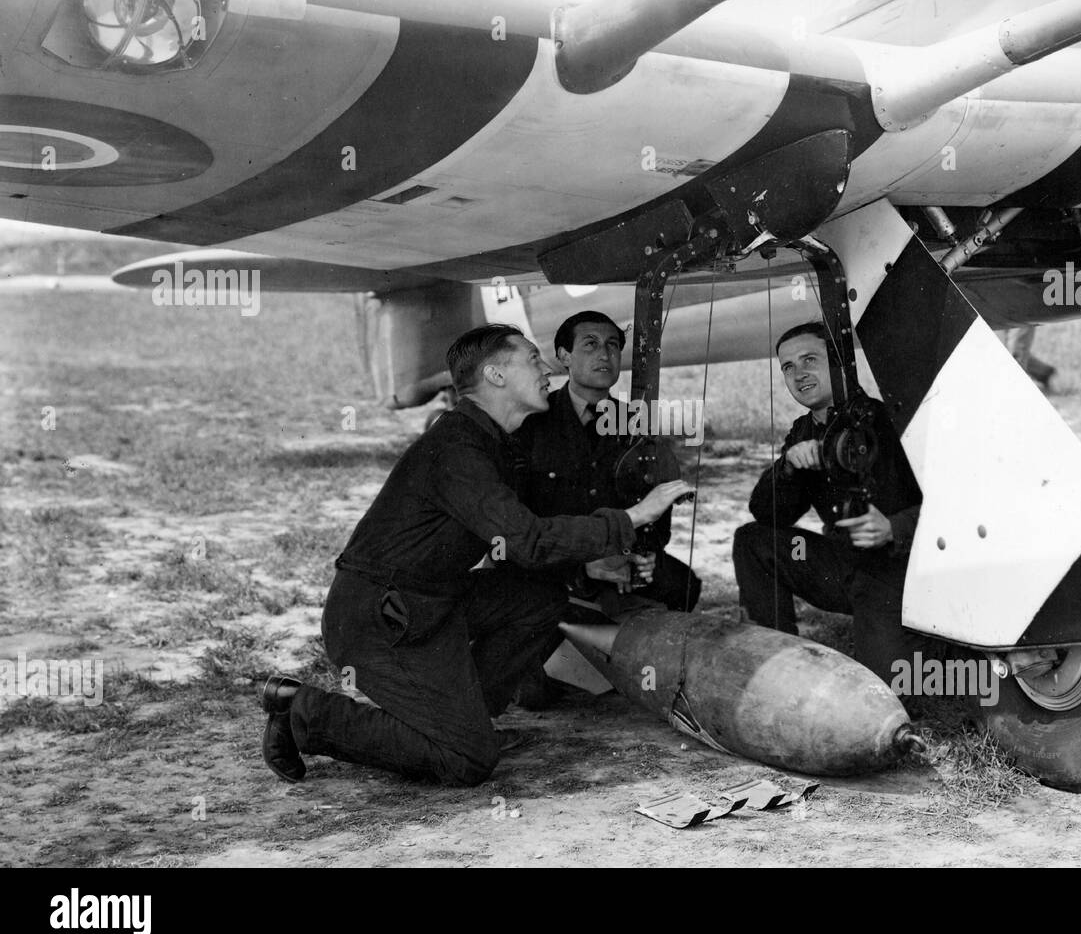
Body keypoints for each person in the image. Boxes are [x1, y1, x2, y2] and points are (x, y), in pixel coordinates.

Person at [259, 324, 692, 786]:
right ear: (496, 376)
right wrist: (631, 518)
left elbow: (524, 539)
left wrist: (595, 557)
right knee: (467, 760)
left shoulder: (493, 441)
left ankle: (466, 715)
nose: (547, 369)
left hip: (431, 601)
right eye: (532, 359)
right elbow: (527, 539)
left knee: (540, 599)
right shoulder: (460, 448)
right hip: (379, 619)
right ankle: (302, 710)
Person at [511, 310, 702, 706]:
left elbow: (656, 515)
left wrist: (641, 555)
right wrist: (580, 566)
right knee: (534, 696)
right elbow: (519, 526)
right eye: (591, 344)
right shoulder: (531, 424)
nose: (605, 355)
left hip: (615, 564)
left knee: (681, 583)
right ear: (563, 355)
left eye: (613, 345)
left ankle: (634, 661)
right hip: (551, 568)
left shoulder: (638, 426)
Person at [731, 322, 923, 682]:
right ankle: (777, 661)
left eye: (809, 359)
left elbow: (953, 505)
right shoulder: (805, 430)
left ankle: (935, 640)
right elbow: (768, 514)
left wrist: (895, 528)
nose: (798, 373)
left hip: (897, 573)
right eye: (788, 366)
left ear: (839, 364)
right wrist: (788, 468)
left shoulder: (889, 420)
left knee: (888, 689)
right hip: (838, 566)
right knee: (753, 541)